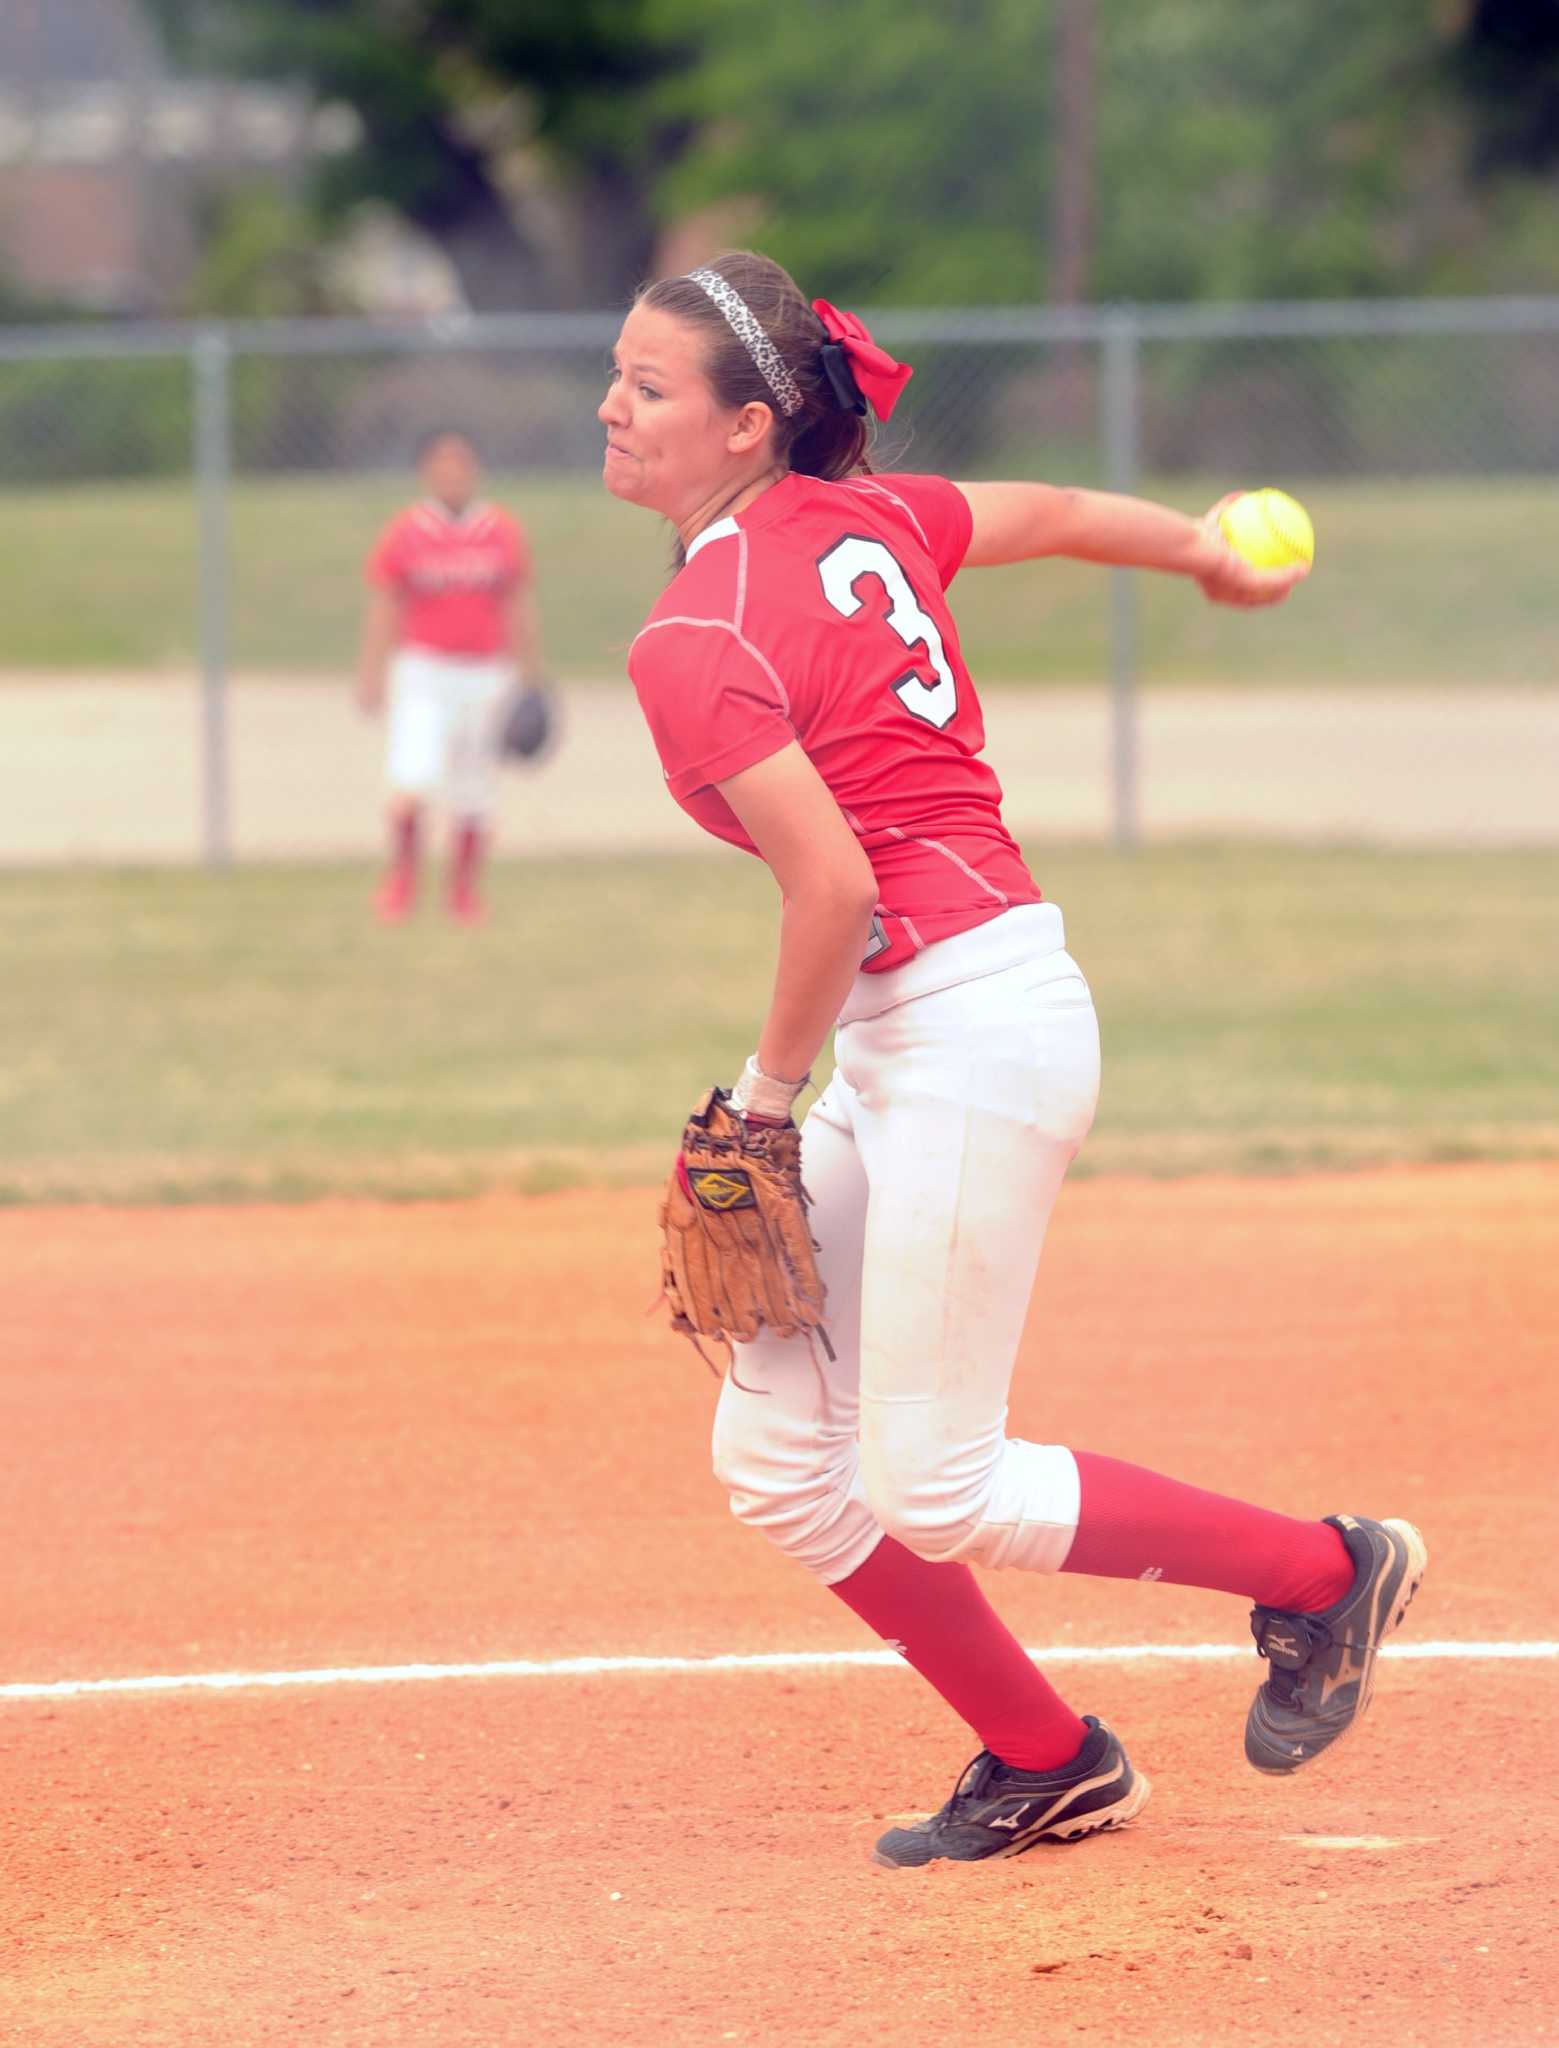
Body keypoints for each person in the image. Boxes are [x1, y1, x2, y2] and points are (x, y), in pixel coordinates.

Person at [601, 251, 1427, 1869]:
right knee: (780, 1457)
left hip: (967, 1022)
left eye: (648, 386)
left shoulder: (691, 632)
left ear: (747, 425)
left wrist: (758, 1105)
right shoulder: (866, 520)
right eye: (616, 374)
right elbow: (1042, 507)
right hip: (931, 1024)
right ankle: (1045, 1755)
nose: (611, 408)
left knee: (936, 1479)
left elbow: (831, 887)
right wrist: (1196, 549)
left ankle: (1327, 1571)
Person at [357, 429, 544, 924]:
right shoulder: (407, 531)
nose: (452, 474)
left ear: (475, 470)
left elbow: (518, 604)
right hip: (423, 669)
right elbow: (384, 605)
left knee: (474, 788)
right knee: (411, 781)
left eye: (461, 463)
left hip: (486, 672)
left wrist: (531, 676)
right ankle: (402, 882)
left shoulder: (500, 529)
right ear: (426, 472)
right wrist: (372, 674)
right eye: (442, 464)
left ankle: (463, 891)